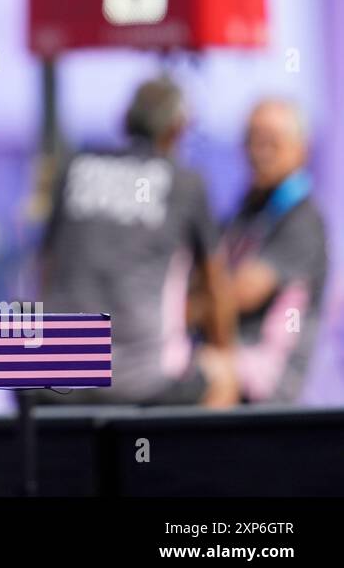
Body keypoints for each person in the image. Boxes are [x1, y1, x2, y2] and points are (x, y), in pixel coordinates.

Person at [38, 77, 239, 406]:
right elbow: (216, 287)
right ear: (177, 128)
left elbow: (45, 268)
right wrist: (222, 348)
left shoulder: (75, 168)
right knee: (223, 374)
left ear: (126, 120)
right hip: (140, 381)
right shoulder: (185, 183)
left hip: (55, 378)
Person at [206, 99, 328, 403]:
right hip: (230, 357)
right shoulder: (246, 209)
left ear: (301, 149)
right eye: (252, 139)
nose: (258, 151)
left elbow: (239, 294)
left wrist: (180, 307)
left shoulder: (303, 219)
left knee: (195, 376)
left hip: (272, 381)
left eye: (271, 142)